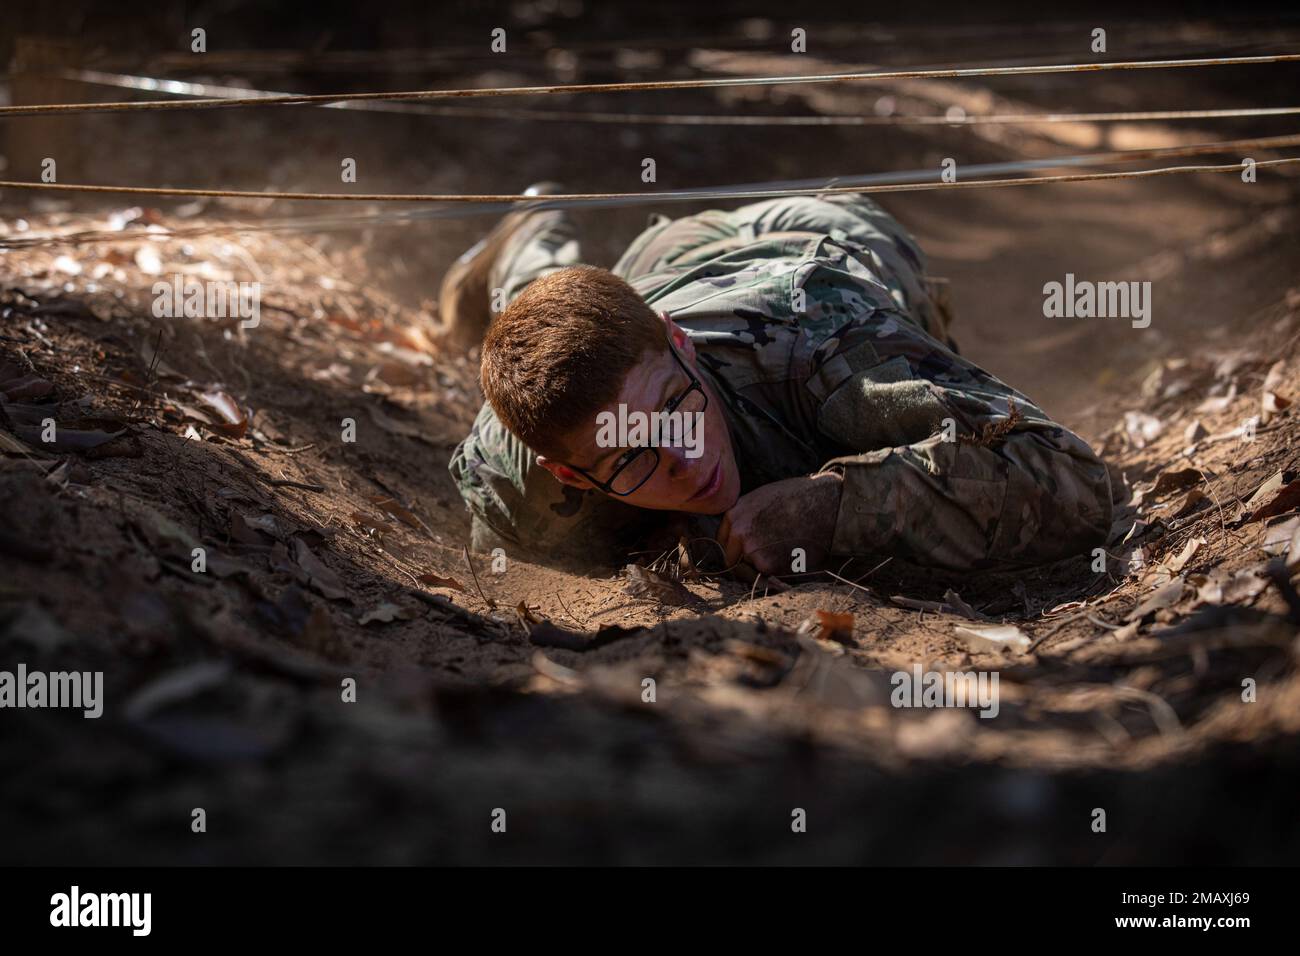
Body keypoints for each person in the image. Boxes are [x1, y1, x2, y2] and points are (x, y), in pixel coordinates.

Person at [442, 186, 1112, 575]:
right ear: (571, 476)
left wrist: (839, 510)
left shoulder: (826, 340)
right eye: (632, 455)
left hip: (822, 236)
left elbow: (1071, 477)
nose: (686, 459)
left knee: (897, 285)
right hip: (654, 275)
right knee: (533, 308)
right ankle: (537, 219)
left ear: (677, 341)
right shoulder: (517, 482)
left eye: (676, 407)